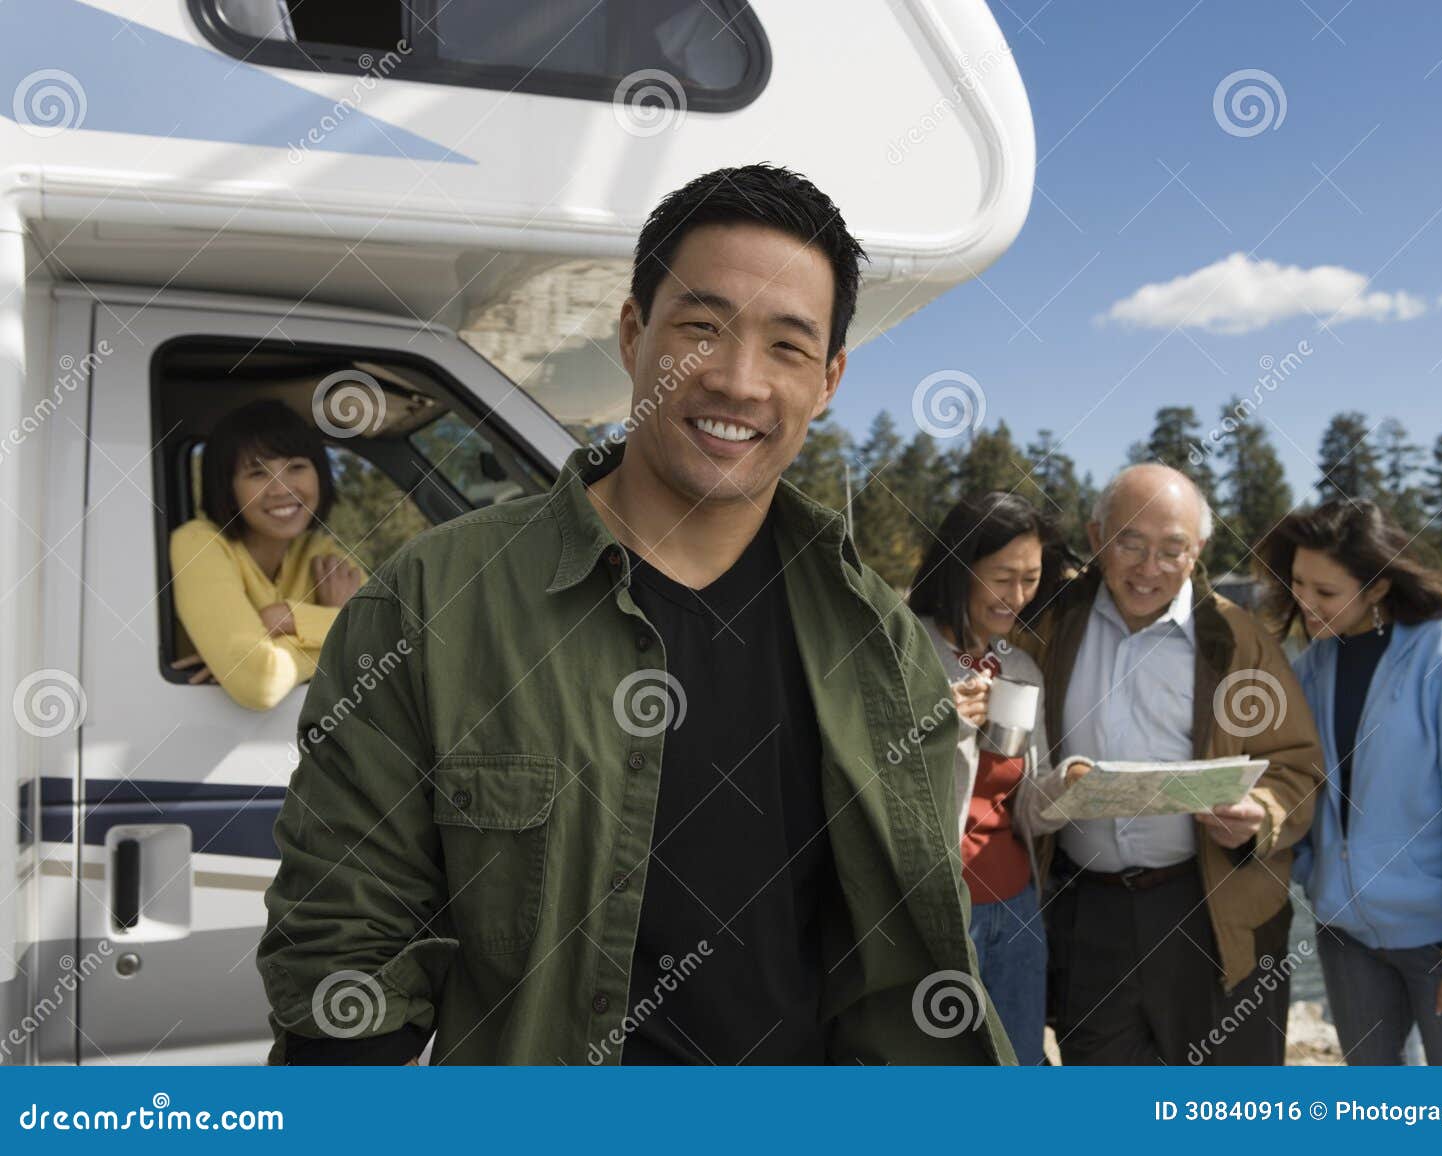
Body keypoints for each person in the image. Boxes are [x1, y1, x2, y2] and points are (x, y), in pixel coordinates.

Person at [256, 164, 1015, 1066]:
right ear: (632, 333)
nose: (738, 381)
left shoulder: (882, 648)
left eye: (787, 346)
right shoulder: (432, 602)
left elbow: (912, 964)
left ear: (829, 379)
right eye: (702, 328)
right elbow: (348, 963)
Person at [1015, 463, 1323, 1065]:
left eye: (1171, 549)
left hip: (1210, 909)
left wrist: (1259, 814)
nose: (1149, 567)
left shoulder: (1237, 640)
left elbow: (1296, 765)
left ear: (1198, 550)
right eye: (1130, 542)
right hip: (1086, 911)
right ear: (1097, 534)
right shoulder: (1051, 625)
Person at [1258, 499, 1442, 1065]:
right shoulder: (1311, 669)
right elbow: (1303, 787)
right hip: (1348, 941)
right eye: (1299, 584)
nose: (1306, 603)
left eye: (1326, 593)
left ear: (1377, 589)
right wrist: (1316, 872)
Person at [908, 492, 1083, 1066]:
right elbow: (862, 775)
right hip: (930, 914)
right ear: (959, 567)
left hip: (1017, 909)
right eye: (1002, 577)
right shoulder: (901, 650)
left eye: (1030, 579)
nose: (1017, 597)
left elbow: (1024, 808)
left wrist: (1068, 788)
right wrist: (943, 722)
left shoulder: (1019, 667)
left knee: (1019, 1064)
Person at [169, 400, 364, 712]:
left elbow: (390, 638)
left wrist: (286, 617)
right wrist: (341, 626)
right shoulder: (197, 543)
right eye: (257, 473)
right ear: (228, 488)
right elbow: (260, 682)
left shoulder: (321, 553)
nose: (281, 488)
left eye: (296, 467)